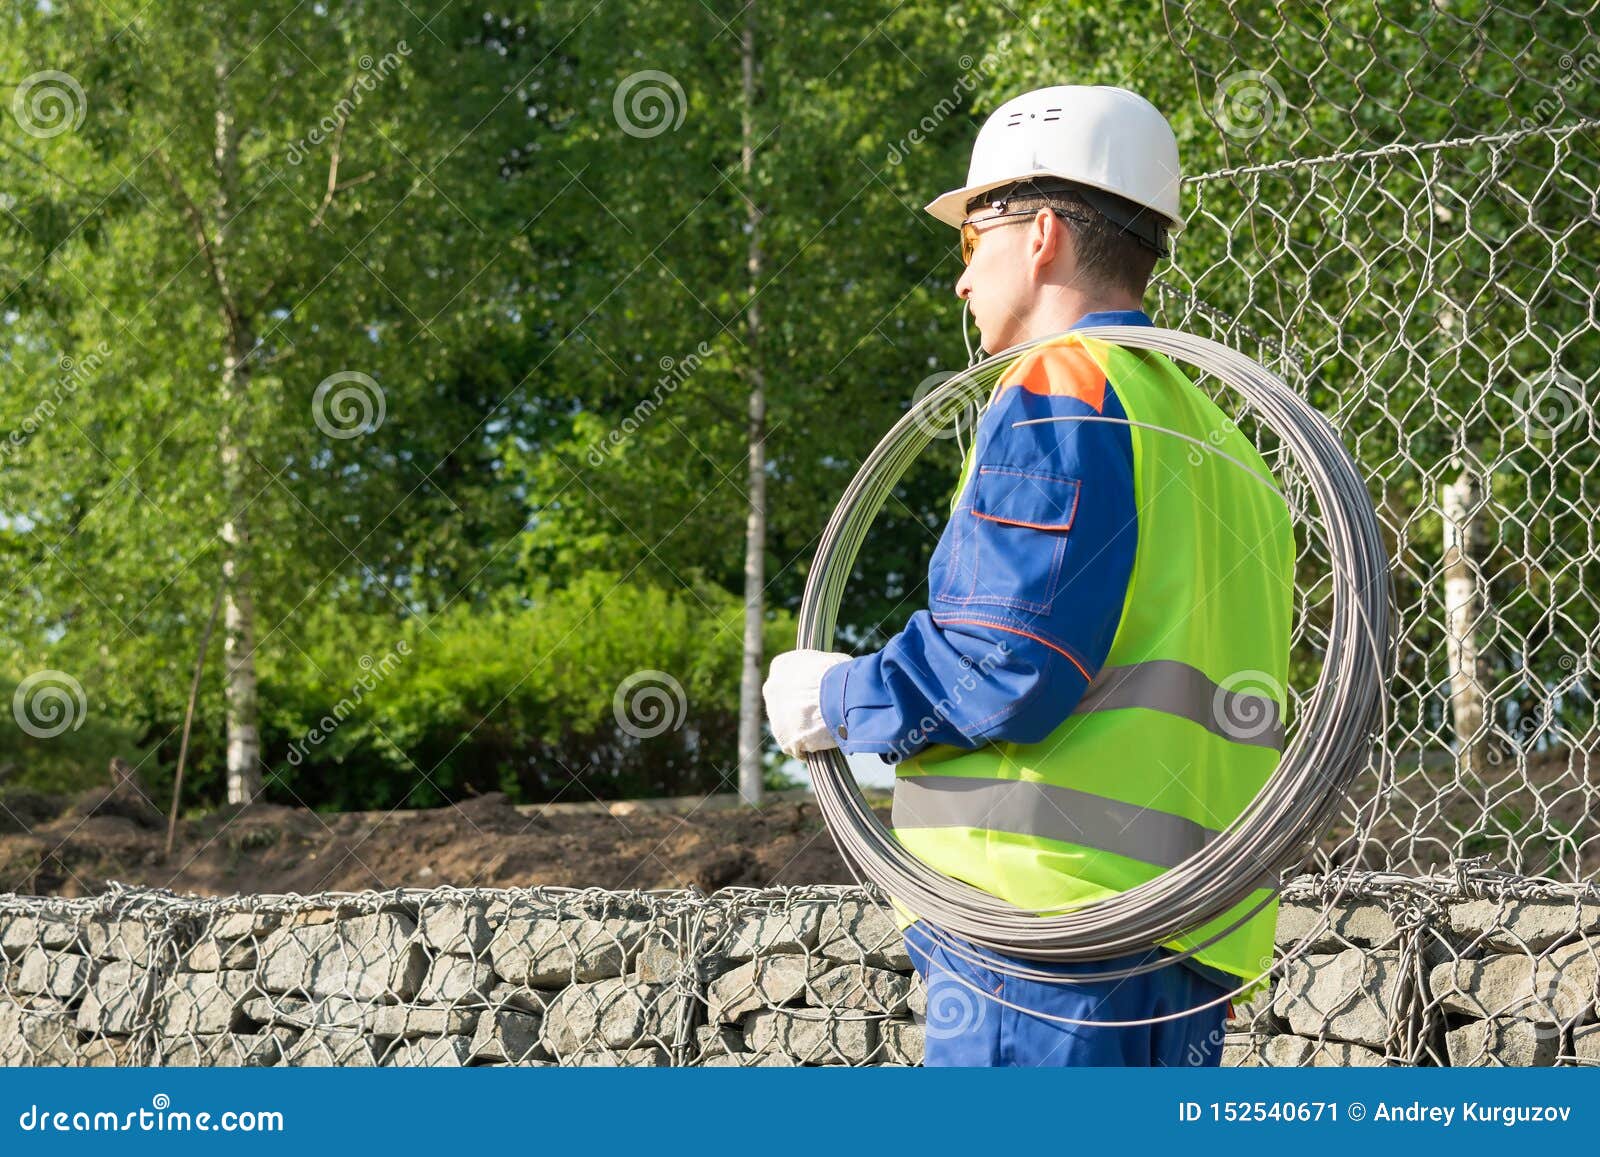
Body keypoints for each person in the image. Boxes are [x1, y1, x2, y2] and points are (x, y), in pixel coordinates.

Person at [763, 85, 1295, 1066]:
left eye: (969, 241)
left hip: (1043, 938)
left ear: (1041, 233)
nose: (960, 281)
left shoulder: (1065, 387)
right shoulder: (1228, 448)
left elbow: (1009, 661)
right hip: (1181, 942)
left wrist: (834, 696)